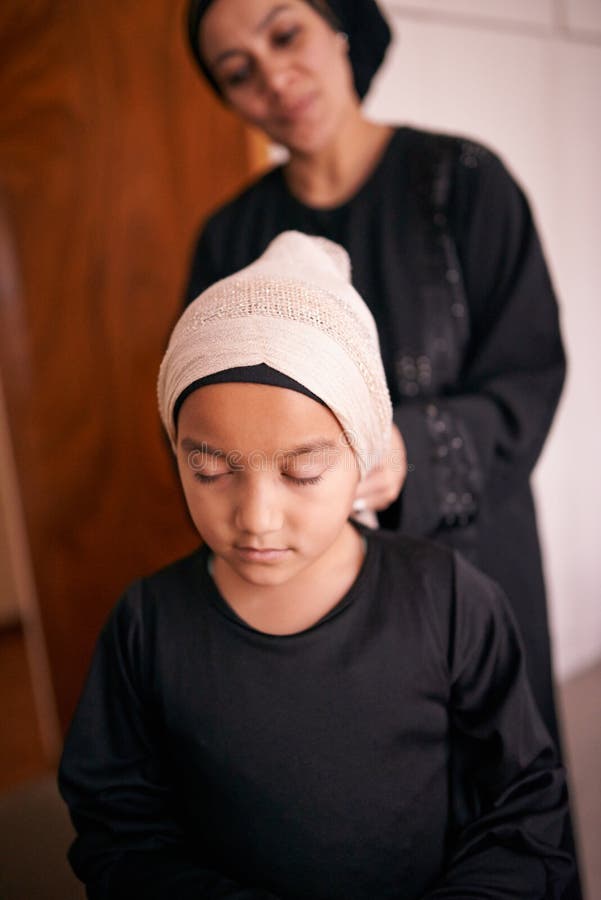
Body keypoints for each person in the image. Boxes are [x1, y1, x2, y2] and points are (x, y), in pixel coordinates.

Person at [58, 231, 572, 899]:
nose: (256, 517)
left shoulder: (447, 600)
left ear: (362, 454)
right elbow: (117, 829)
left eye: (301, 472)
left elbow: (522, 806)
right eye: (210, 471)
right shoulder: (146, 625)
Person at [185, 0, 568, 793]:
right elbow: (199, 418)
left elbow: (526, 374)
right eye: (238, 73)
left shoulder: (463, 183)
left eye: (284, 34)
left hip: (472, 564)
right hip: (311, 601)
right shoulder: (229, 239)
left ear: (339, 27)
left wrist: (408, 452)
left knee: (503, 806)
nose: (274, 79)